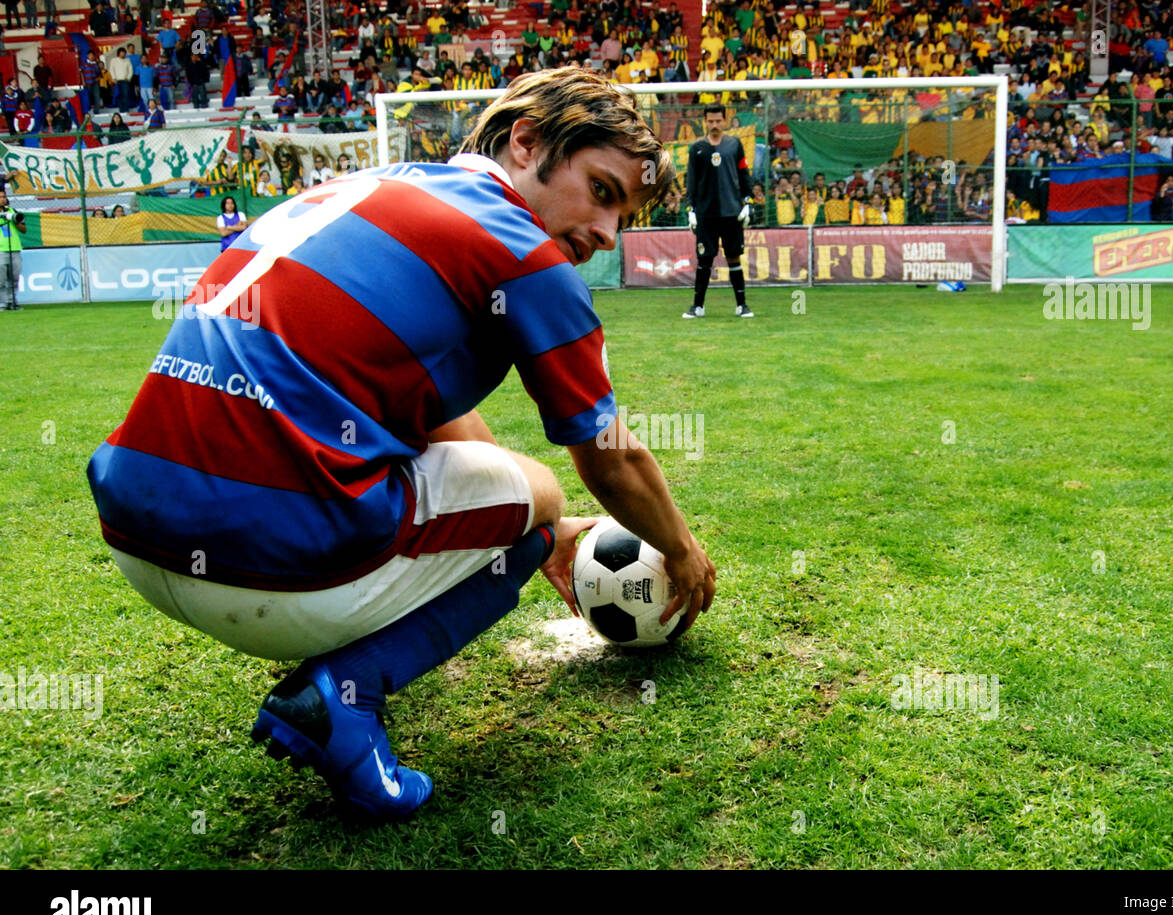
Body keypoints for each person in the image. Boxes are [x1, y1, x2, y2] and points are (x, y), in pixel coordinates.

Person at [85, 67, 715, 821]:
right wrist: (677, 550)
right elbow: (609, 456)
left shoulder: (376, 189)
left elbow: (432, 416)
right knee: (543, 498)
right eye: (604, 192)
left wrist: (526, 527)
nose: (608, 233)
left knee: (518, 505)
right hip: (257, 569)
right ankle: (341, 699)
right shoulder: (523, 252)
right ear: (525, 142)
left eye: (627, 216)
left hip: (132, 531)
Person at [682, 103, 755, 319]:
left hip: (732, 212)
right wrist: (691, 209)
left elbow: (743, 174)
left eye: (718, 121)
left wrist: (747, 202)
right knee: (705, 260)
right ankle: (698, 307)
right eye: (710, 121)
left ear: (724, 120)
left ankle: (742, 306)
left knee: (734, 258)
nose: (714, 125)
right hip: (706, 214)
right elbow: (692, 181)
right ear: (705, 121)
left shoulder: (734, 144)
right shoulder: (697, 148)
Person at [0, 190, 24, 310]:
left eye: (4, 197)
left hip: (14, 248)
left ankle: (12, 302)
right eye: (0, 197)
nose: (2, 199)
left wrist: (14, 220)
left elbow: (24, 229)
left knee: (14, 279)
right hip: (1, 250)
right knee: (1, 279)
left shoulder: (12, 211)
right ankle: (2, 303)